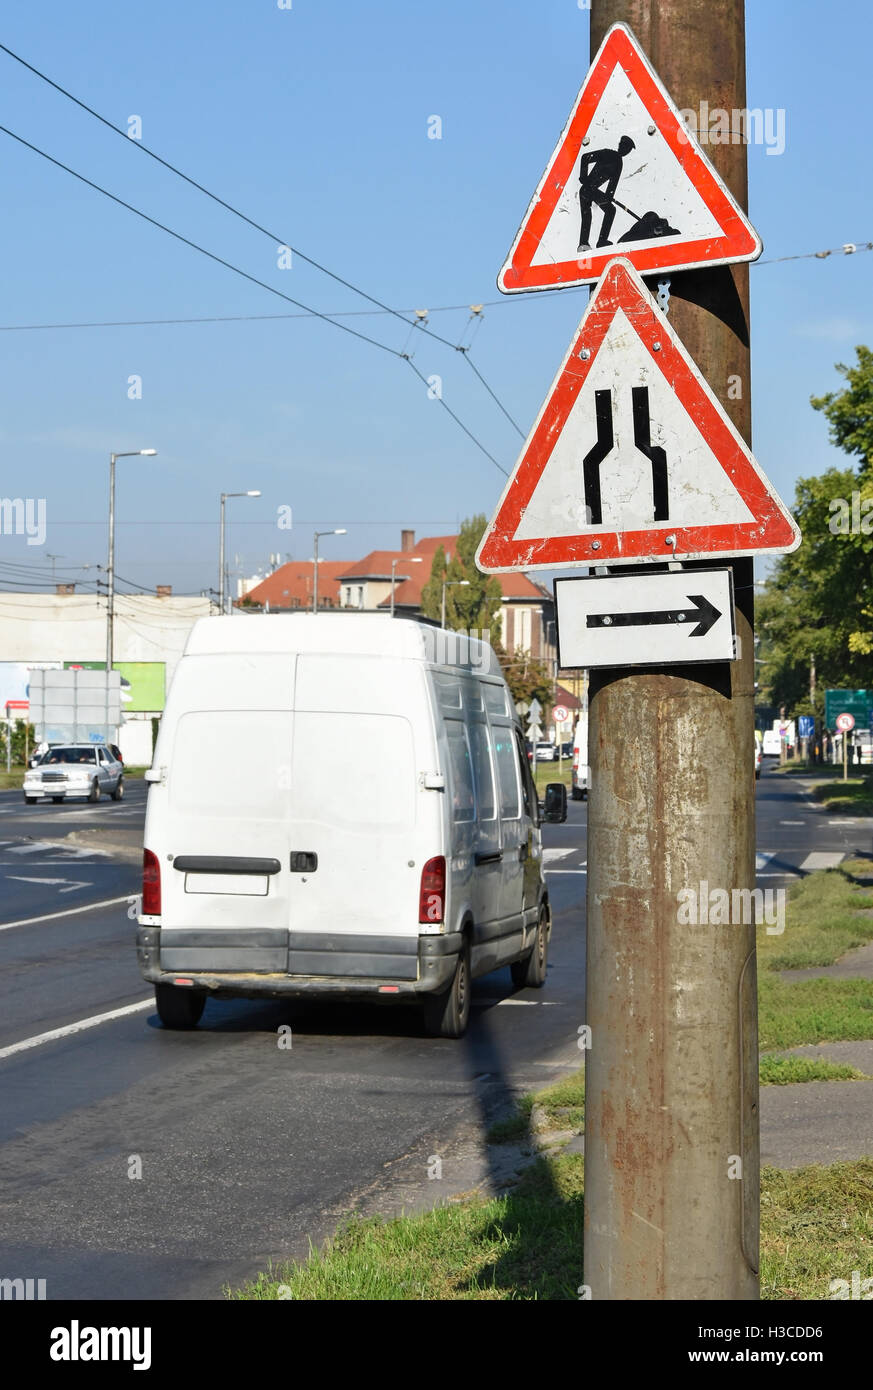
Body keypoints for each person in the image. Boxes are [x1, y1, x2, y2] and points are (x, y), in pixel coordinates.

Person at [578, 135, 635, 252]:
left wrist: (609, 196)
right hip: (588, 189)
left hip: (590, 190)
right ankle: (597, 241)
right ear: (621, 146)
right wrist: (583, 176)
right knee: (595, 213)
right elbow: (585, 157)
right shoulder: (607, 153)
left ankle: (589, 242)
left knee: (603, 211)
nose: (627, 151)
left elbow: (613, 184)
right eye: (626, 148)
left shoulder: (619, 162)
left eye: (628, 150)